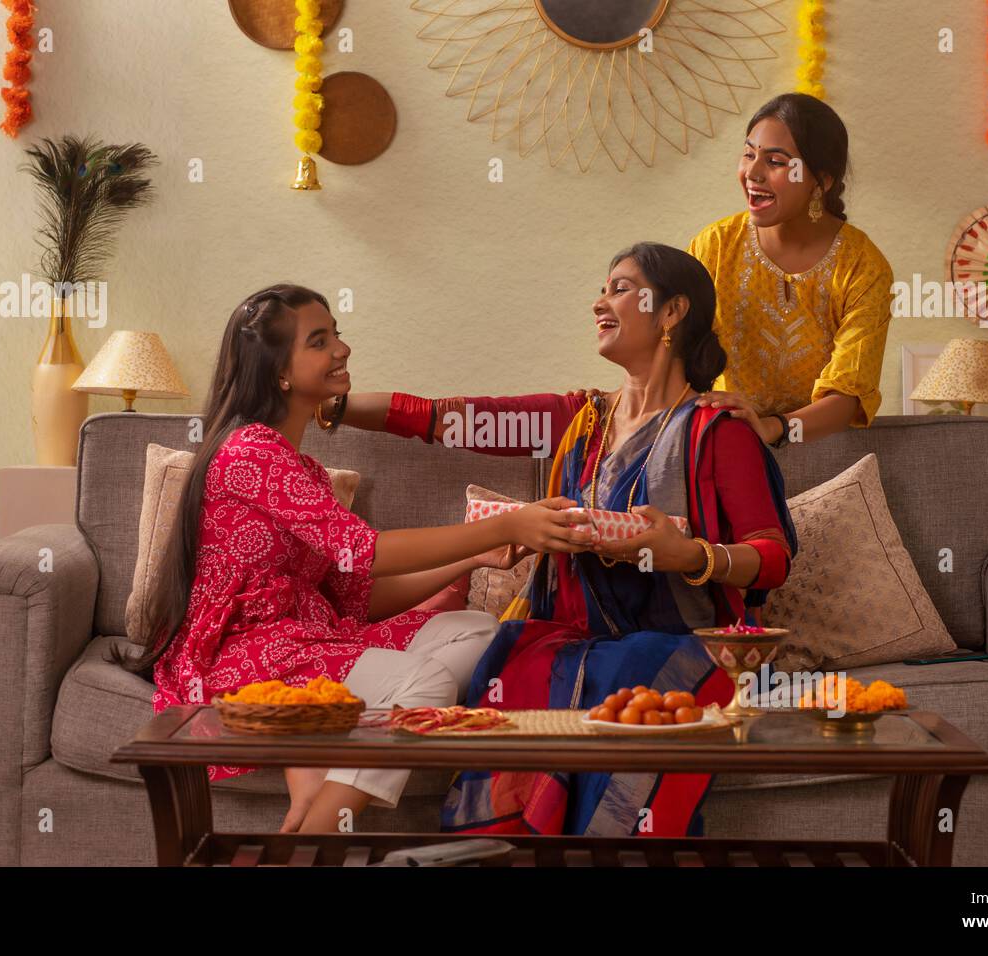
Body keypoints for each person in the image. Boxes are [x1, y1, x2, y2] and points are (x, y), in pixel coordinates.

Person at [329, 245, 797, 836]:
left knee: (633, 668)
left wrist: (686, 554)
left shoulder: (718, 429)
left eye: (621, 289)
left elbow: (773, 559)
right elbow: (444, 417)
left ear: (672, 311)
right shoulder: (578, 418)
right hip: (567, 634)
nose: (600, 302)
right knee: (516, 655)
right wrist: (328, 405)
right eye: (604, 289)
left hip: (679, 640)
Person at [115, 283, 595, 833]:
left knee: (478, 630)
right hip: (247, 657)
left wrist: (477, 556)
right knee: (428, 686)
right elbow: (364, 553)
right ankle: (314, 839)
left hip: (311, 641)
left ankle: (320, 759)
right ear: (280, 374)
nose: (341, 350)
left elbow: (359, 598)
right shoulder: (251, 451)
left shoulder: (303, 468)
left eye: (336, 335)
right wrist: (508, 523)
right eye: (319, 341)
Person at [686, 92, 895, 447]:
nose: (752, 172)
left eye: (776, 162)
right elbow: (670, 354)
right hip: (722, 442)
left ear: (822, 181)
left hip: (818, 450)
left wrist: (772, 427)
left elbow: (848, 396)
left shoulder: (862, 266)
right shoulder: (716, 247)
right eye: (749, 154)